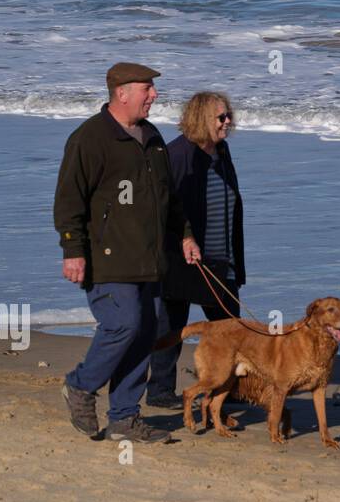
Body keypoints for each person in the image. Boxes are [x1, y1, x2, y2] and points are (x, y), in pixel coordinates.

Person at [55, 62, 201, 442]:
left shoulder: (151, 136)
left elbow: (167, 197)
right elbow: (69, 200)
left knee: (144, 333)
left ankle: (124, 418)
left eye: (152, 89)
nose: (154, 96)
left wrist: (184, 234)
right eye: (147, 89)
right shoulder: (89, 138)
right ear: (122, 93)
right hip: (106, 255)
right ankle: (81, 386)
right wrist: (73, 250)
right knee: (124, 324)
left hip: (150, 258)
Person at [146, 91, 246, 408]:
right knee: (173, 328)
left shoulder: (222, 152)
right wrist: (183, 242)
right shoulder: (178, 156)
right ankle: (160, 392)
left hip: (221, 261)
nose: (228, 121)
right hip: (184, 260)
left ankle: (230, 390)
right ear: (202, 118)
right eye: (221, 117)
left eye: (228, 114)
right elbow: (161, 210)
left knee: (232, 329)